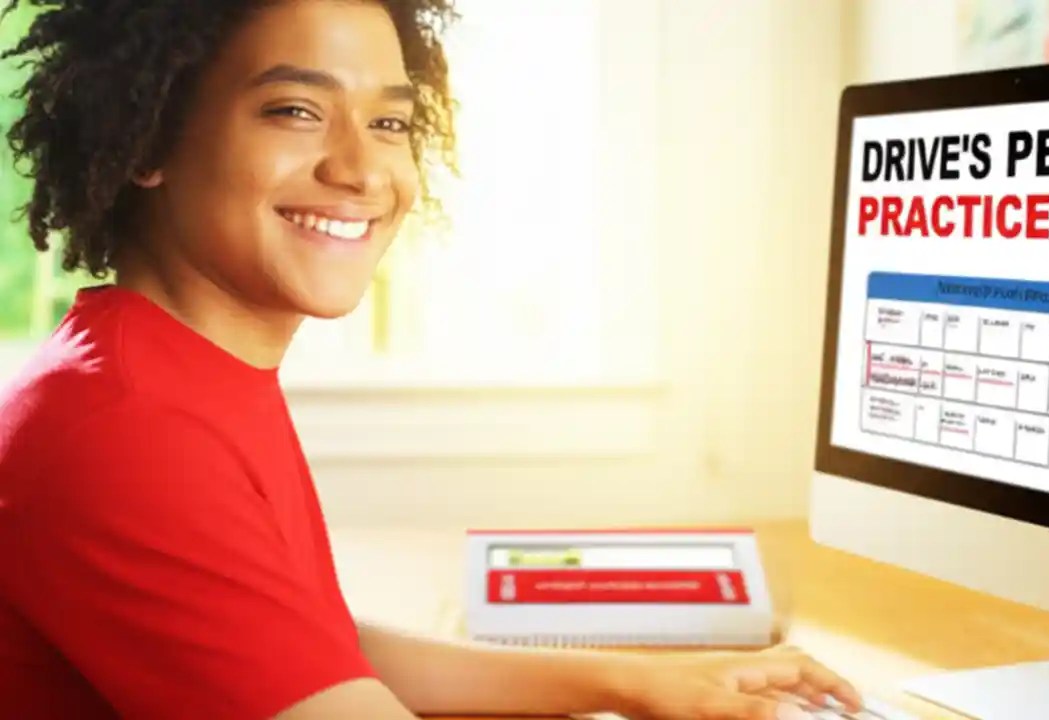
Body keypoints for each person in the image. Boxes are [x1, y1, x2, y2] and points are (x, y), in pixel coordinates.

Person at [0, 1, 864, 718]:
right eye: (296, 110)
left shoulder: (165, 368)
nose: (360, 168)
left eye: (388, 122)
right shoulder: (131, 435)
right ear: (148, 140)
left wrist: (637, 680)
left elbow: (310, 652)